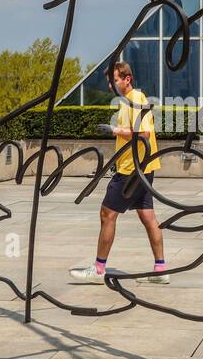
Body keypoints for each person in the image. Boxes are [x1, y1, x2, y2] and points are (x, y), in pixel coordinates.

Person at [70, 61, 169, 284]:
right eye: (109, 81)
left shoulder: (136, 100)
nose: (111, 85)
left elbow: (142, 134)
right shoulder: (128, 102)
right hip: (142, 168)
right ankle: (161, 269)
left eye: (114, 80)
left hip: (131, 170)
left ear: (127, 80)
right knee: (148, 216)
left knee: (107, 213)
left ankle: (98, 268)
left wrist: (114, 130)